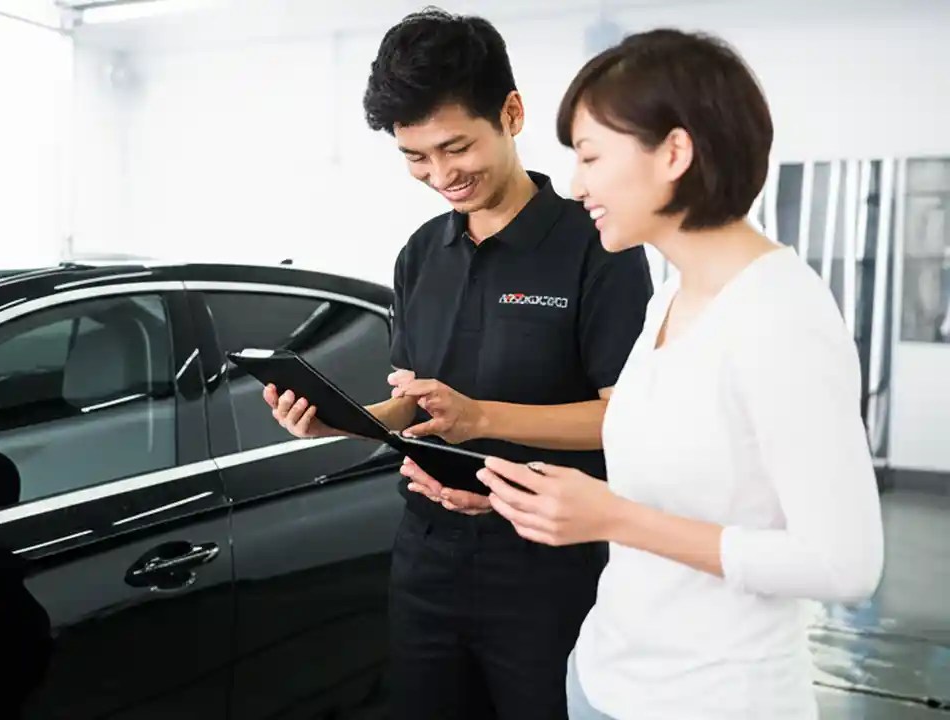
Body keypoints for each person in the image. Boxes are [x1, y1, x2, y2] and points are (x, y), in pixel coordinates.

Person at [475, 29, 886, 719]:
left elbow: (844, 565)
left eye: (590, 156)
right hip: (608, 675)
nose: (576, 186)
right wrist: (547, 501)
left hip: (713, 698)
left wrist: (615, 519)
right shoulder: (672, 291)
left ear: (674, 151)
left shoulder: (781, 318)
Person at [265, 8, 652, 718]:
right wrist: (341, 423)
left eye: (455, 147)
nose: (441, 174)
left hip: (545, 563)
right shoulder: (420, 254)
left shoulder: (596, 246)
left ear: (511, 112)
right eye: (416, 157)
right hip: (427, 556)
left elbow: (626, 421)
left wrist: (483, 419)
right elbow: (417, 403)